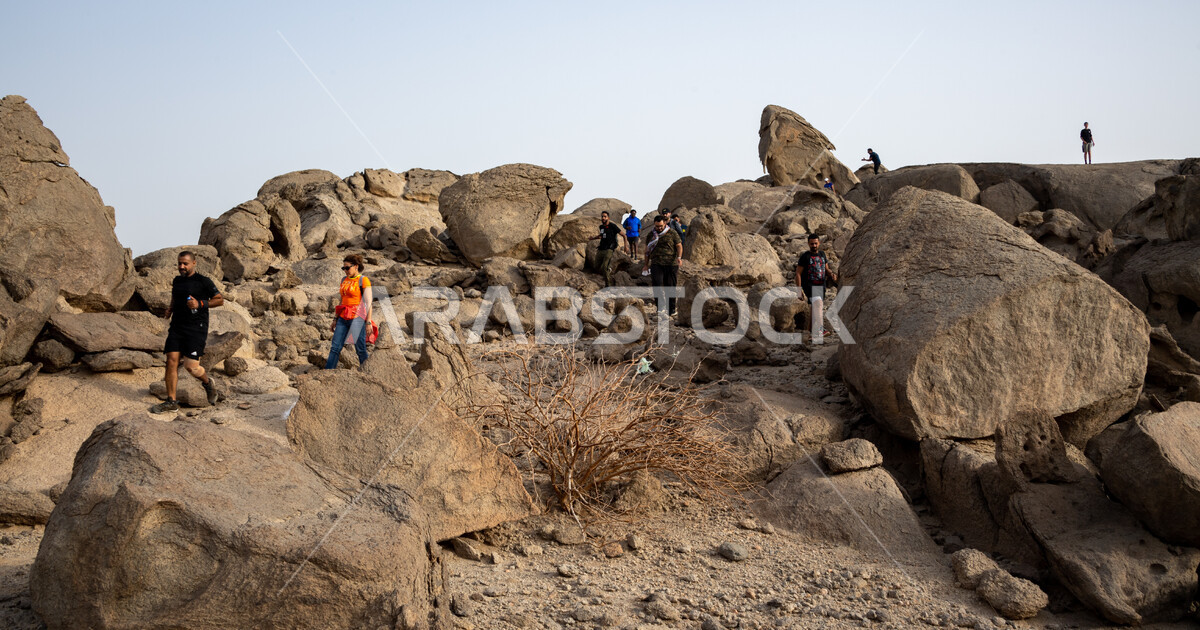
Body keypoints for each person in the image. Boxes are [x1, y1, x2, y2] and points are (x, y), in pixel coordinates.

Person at [150, 251, 224, 413]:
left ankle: (207, 383)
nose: (181, 266)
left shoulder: (203, 281)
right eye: (179, 263)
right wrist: (170, 308)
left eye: (185, 263)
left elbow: (219, 299)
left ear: (194, 263)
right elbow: (175, 297)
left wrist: (200, 303)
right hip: (177, 326)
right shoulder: (177, 280)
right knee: (171, 360)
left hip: (196, 328)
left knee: (192, 367)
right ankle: (171, 401)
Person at [325, 254, 373, 369]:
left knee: (360, 349)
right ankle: (327, 373)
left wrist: (368, 322)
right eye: (343, 268)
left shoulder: (363, 280)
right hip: (342, 317)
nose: (345, 270)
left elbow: (368, 303)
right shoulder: (343, 280)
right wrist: (335, 319)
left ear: (356, 266)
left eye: (347, 268)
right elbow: (342, 300)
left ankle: (367, 373)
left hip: (357, 318)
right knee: (335, 347)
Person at [795, 234, 837, 342]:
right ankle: (820, 330)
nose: (814, 245)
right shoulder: (805, 256)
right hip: (809, 285)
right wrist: (799, 290)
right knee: (818, 304)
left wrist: (831, 274)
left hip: (821, 286)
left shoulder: (822, 254)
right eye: (812, 243)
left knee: (814, 309)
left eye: (815, 243)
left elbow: (826, 268)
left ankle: (809, 334)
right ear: (808, 244)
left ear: (819, 243)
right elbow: (798, 273)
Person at [643, 214, 683, 317]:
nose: (659, 228)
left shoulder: (672, 233)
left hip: (671, 264)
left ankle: (671, 310)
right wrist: (646, 265)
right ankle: (660, 309)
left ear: (665, 223)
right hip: (656, 264)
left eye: (661, 226)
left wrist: (679, 257)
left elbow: (679, 246)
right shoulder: (651, 235)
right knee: (657, 285)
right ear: (654, 225)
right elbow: (647, 250)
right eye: (657, 226)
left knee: (670, 287)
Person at [589, 211, 624, 287]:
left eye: (605, 216)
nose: (603, 218)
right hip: (601, 248)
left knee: (604, 267)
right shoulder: (601, 227)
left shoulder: (613, 226)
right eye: (602, 216)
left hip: (609, 249)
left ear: (608, 218)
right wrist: (593, 238)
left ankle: (608, 285)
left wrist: (626, 246)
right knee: (596, 266)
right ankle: (608, 269)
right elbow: (601, 236)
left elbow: (624, 235)